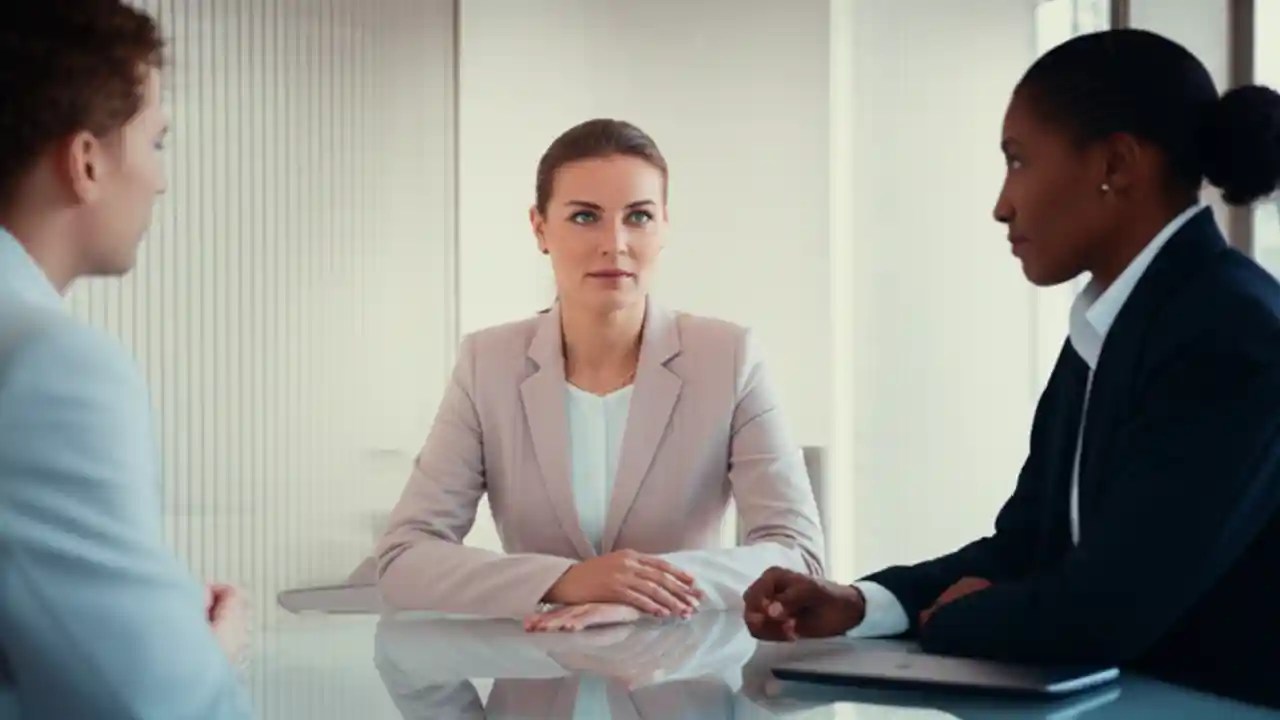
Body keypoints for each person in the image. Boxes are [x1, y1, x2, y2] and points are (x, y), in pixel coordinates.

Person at [743, 29, 1280, 708]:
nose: (1003, 203)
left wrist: (963, 618)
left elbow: (1106, 612)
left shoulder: (1232, 332)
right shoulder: (1111, 325)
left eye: (1019, 162)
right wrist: (861, 603)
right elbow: (1026, 549)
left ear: (1115, 163)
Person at [377, 118, 824, 630]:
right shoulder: (488, 363)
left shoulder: (729, 357)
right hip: (540, 677)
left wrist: (642, 589)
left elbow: (798, 554)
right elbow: (404, 558)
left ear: (664, 228)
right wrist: (567, 580)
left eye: (638, 216)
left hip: (681, 682)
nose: (615, 243)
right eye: (585, 217)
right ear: (540, 228)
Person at [0, 2, 251, 717]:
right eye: (157, 143)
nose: (161, 179)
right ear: (85, 162)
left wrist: (151, 617)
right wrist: (204, 654)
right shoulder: (51, 369)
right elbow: (158, 705)